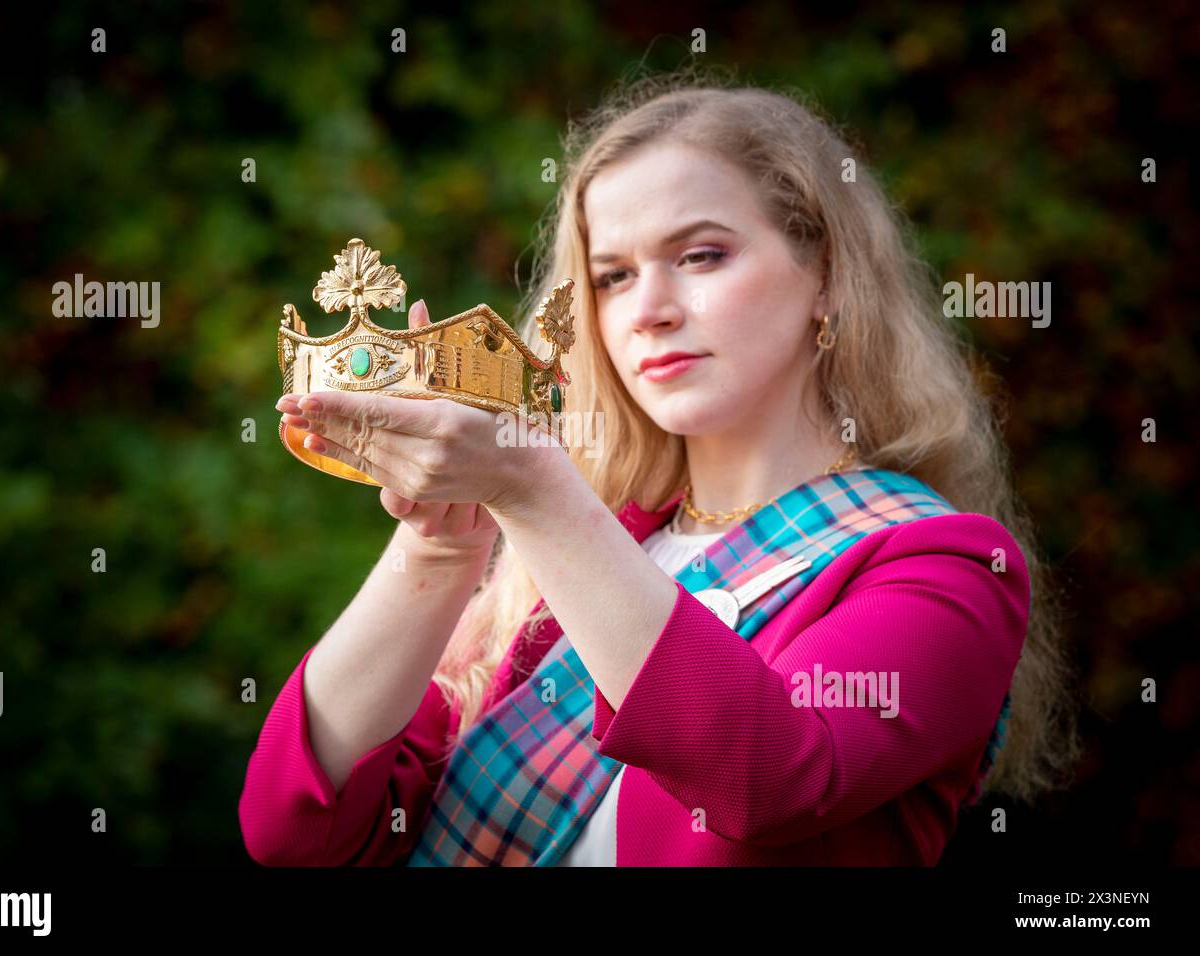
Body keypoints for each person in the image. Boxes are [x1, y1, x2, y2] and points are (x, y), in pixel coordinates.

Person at [239, 71, 1080, 866]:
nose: (648, 311)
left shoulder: (945, 564)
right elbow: (295, 830)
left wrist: (533, 488)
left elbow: (770, 777)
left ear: (825, 273)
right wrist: (439, 551)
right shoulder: (565, 565)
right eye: (612, 276)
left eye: (702, 255)